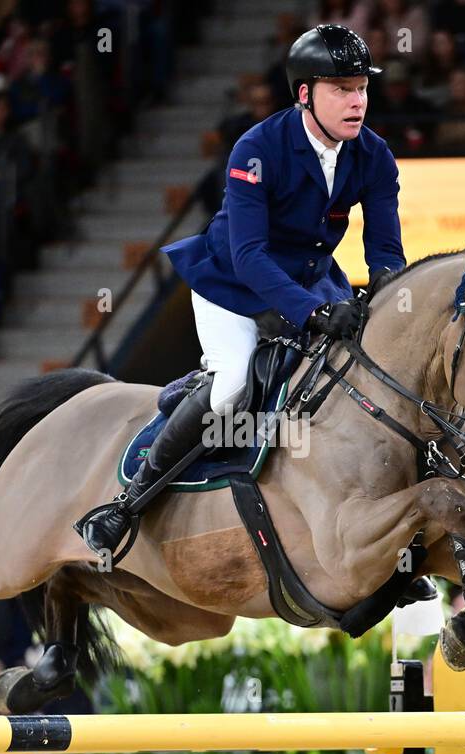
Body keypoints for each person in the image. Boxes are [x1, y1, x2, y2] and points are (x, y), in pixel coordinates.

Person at [78, 24, 406, 557]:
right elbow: (250, 255)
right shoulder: (257, 149)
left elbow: (386, 254)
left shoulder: (373, 154)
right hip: (232, 281)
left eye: (361, 88)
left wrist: (390, 302)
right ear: (305, 94)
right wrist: (316, 312)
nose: (357, 101)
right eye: (341, 90)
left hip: (309, 280)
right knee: (232, 386)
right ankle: (127, 504)